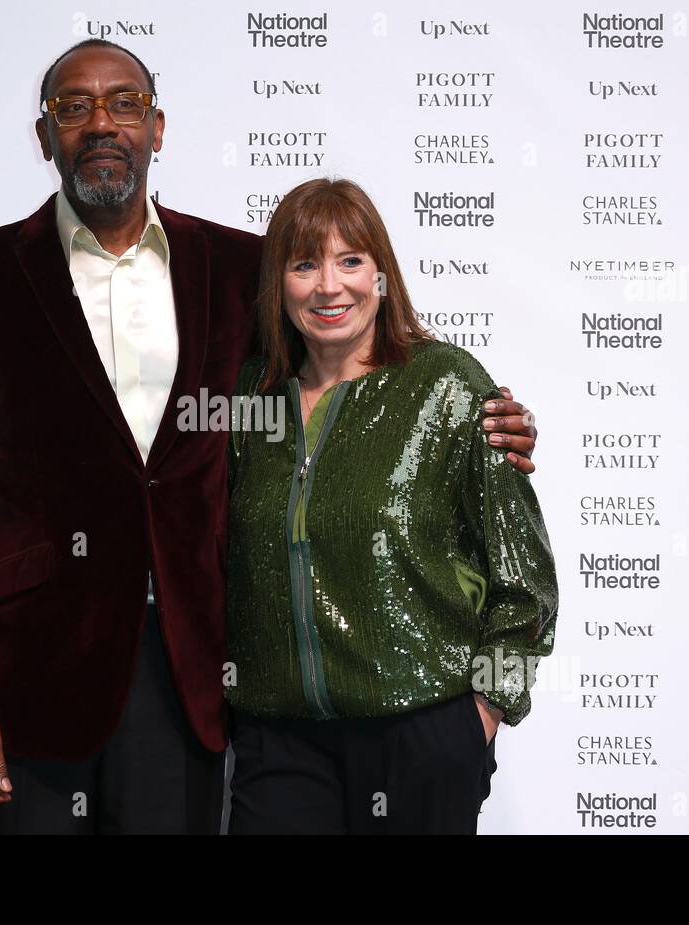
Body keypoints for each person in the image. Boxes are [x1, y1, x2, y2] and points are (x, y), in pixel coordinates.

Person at [0, 39, 540, 835]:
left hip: (192, 679)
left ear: (158, 127)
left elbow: (346, 365)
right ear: (44, 137)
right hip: (30, 681)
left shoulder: (241, 268)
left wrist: (489, 424)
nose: (101, 122)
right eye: (74, 106)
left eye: (125, 103)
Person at [225, 178, 559, 834]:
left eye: (350, 261)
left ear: (382, 275)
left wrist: (485, 712)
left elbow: (526, 583)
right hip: (279, 739)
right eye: (304, 264)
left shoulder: (446, 385)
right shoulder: (248, 401)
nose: (329, 286)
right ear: (279, 282)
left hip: (423, 735)